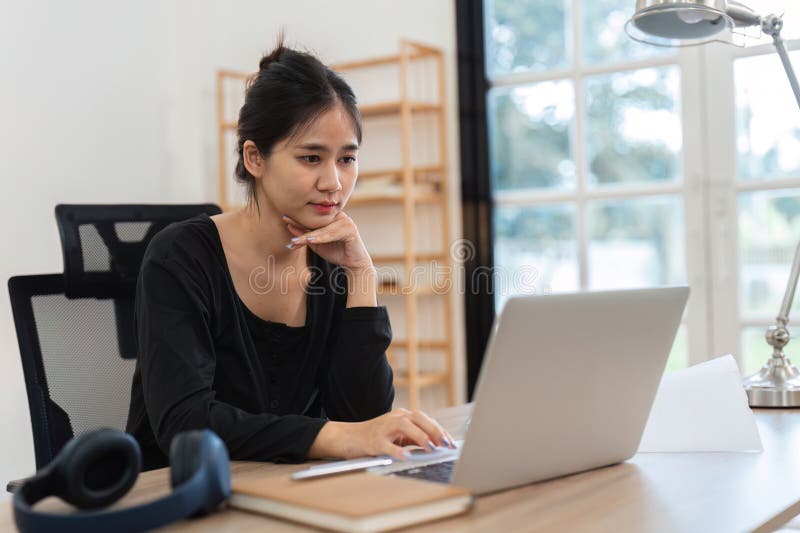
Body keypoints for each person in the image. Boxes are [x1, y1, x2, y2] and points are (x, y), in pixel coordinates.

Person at [125, 38, 456, 471]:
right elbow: (186, 424)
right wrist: (336, 436)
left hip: (287, 486)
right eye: (311, 157)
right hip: (182, 490)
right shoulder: (179, 257)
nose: (334, 182)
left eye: (347, 159)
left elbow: (363, 419)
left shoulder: (332, 264)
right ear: (254, 158)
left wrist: (362, 275)